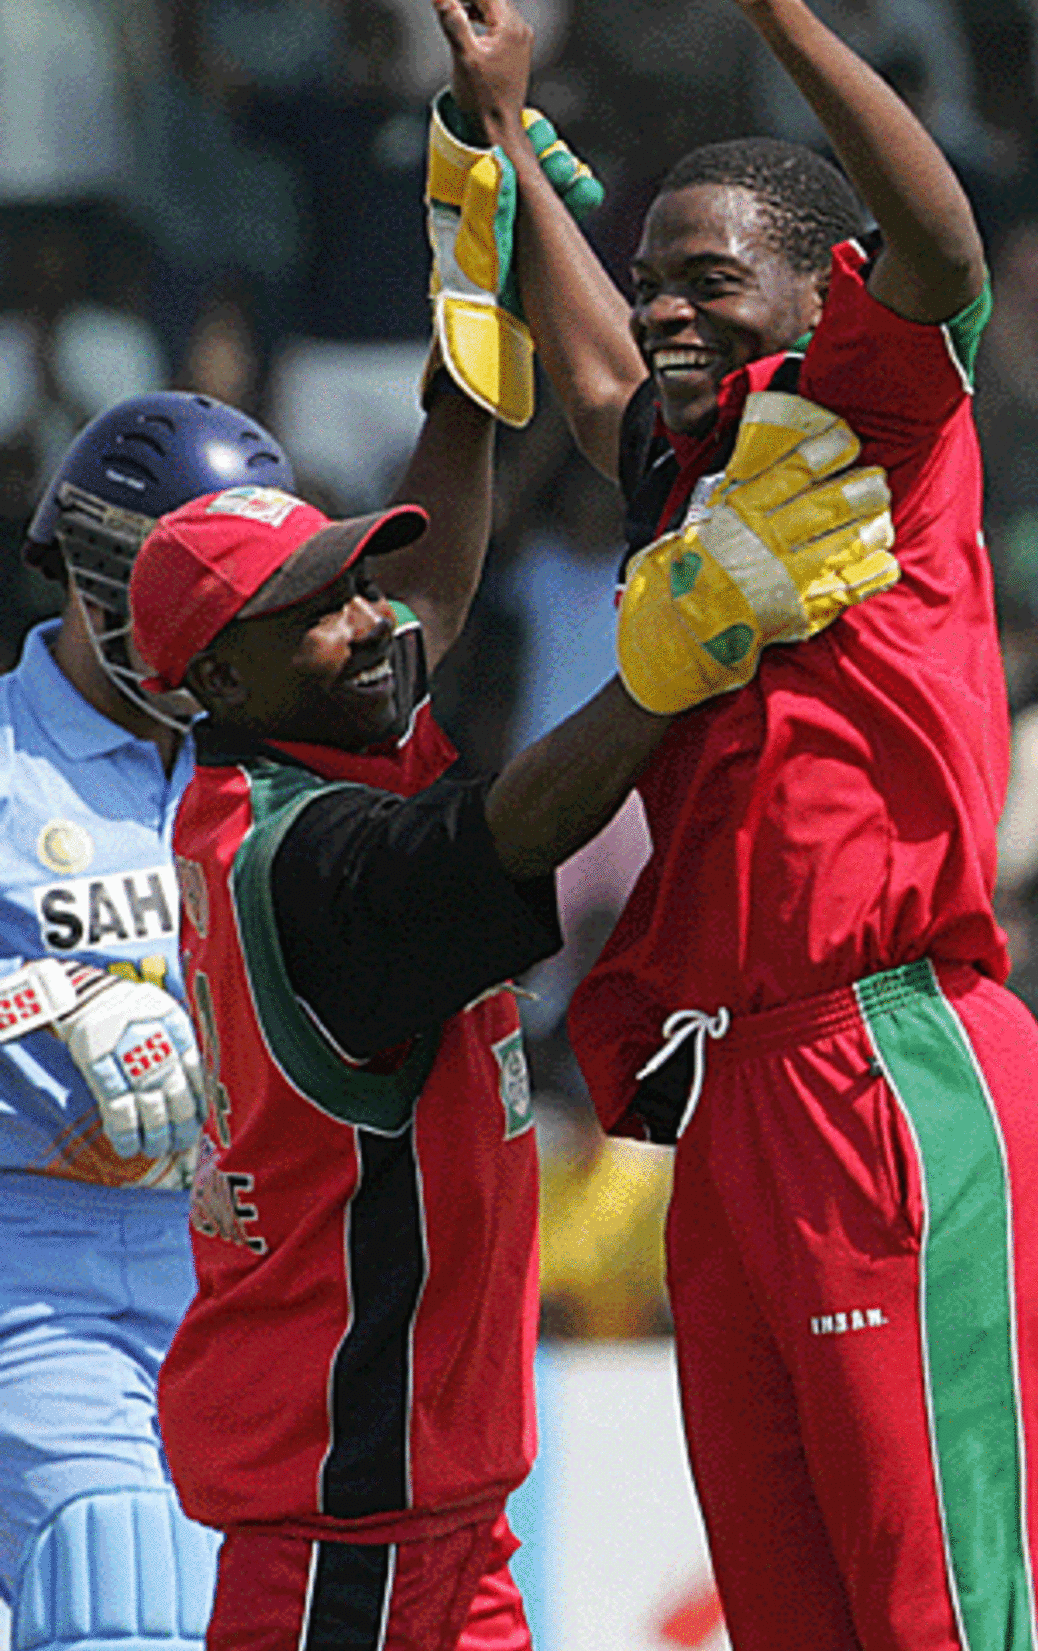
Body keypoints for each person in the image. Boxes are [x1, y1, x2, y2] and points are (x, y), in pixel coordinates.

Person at [421, 0, 1038, 1650]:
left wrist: (776, 6)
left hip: (894, 1063)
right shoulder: (698, 482)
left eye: (715, 279)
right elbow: (592, 368)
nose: (678, 317)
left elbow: (945, 248)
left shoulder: (877, 417)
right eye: (661, 282)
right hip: (728, 1104)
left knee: (947, 1614)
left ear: (814, 289)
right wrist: (503, 140)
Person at [126, 365, 895, 1649]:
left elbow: (428, 591)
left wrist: (466, 385)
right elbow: (513, 830)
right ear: (228, 681)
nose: (372, 623)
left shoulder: (317, 737)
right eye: (319, 610)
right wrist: (674, 660)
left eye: (354, 582)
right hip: (340, 1536)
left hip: (439, 1517)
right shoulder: (307, 861)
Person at [0, 393, 295, 1651]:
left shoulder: (279, 756)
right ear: (95, 578)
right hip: (37, 1269)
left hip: (246, 1263)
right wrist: (49, 997)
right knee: (122, 1588)